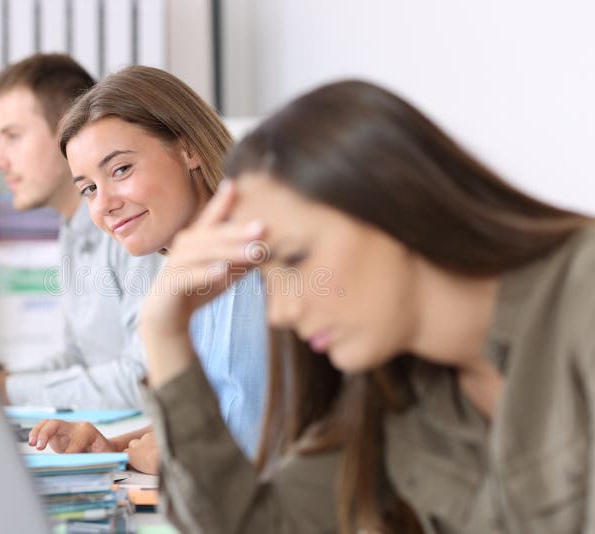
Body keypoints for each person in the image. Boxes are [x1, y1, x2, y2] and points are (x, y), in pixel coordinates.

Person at [136, 79, 595, 533]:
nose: (281, 314)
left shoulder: (581, 296)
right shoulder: (394, 399)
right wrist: (164, 332)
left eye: (295, 258)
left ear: (399, 203)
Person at [29, 66, 269, 474]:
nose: (103, 205)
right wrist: (114, 449)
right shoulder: (193, 273)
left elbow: (237, 454)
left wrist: (170, 459)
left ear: (189, 149)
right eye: (88, 188)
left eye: (120, 170)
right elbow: (210, 422)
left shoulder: (249, 264)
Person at [0, 54, 163, 410]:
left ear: (68, 128)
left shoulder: (131, 225)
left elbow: (145, 377)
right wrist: (2, 385)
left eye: (13, 137)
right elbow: (84, 357)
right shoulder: (73, 228)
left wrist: (10, 390)